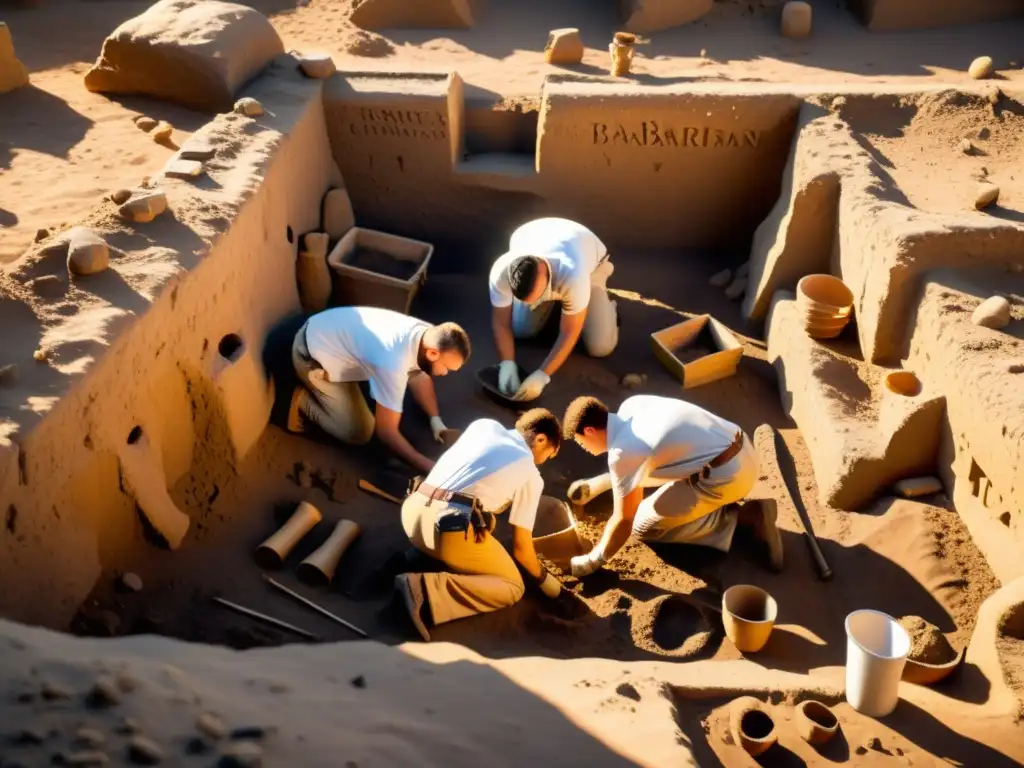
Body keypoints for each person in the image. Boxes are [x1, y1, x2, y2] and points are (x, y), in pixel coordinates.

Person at [560, 394, 783, 578]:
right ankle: (723, 503)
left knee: (642, 525)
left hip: (729, 476)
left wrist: (594, 559)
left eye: (581, 442)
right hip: (740, 446)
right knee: (655, 467)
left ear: (589, 431)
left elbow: (623, 520)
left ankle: (744, 517)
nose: (584, 448)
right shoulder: (632, 404)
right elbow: (650, 460)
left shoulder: (622, 454)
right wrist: (600, 485)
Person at [394, 409, 564, 641]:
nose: (544, 461)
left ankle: (417, 558)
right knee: (513, 586)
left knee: (482, 521)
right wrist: (548, 583)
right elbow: (522, 551)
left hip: (411, 511)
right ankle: (421, 590)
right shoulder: (531, 474)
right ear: (541, 439)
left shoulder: (483, 426)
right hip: (446, 530)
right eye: (549, 454)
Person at [289, 305, 470, 474]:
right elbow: (386, 432)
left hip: (330, 330)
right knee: (359, 432)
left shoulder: (427, 335)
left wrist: (435, 420)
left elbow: (419, 376)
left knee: (379, 394)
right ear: (432, 353)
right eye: (446, 367)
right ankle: (303, 401)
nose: (445, 373)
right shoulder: (393, 363)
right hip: (310, 356)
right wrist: (429, 467)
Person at [488, 217, 618, 402]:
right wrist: (507, 363)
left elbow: (570, 330)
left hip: (591, 265)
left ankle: (605, 306)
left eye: (539, 296)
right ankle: (561, 303)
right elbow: (501, 323)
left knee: (600, 346)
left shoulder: (573, 274)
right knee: (520, 329)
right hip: (536, 232)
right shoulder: (501, 272)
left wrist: (543, 374)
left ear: (547, 275)